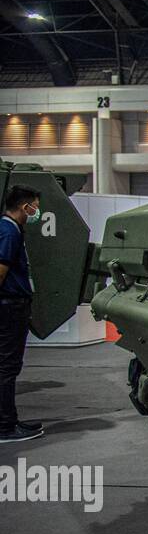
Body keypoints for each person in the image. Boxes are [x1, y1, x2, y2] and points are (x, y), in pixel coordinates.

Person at [0, 184, 43, 443]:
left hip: (12, 305)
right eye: (35, 207)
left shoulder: (11, 229)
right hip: (9, 306)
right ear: (24, 206)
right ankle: (5, 426)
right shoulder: (8, 231)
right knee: (7, 367)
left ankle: (9, 420)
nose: (37, 212)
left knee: (7, 367)